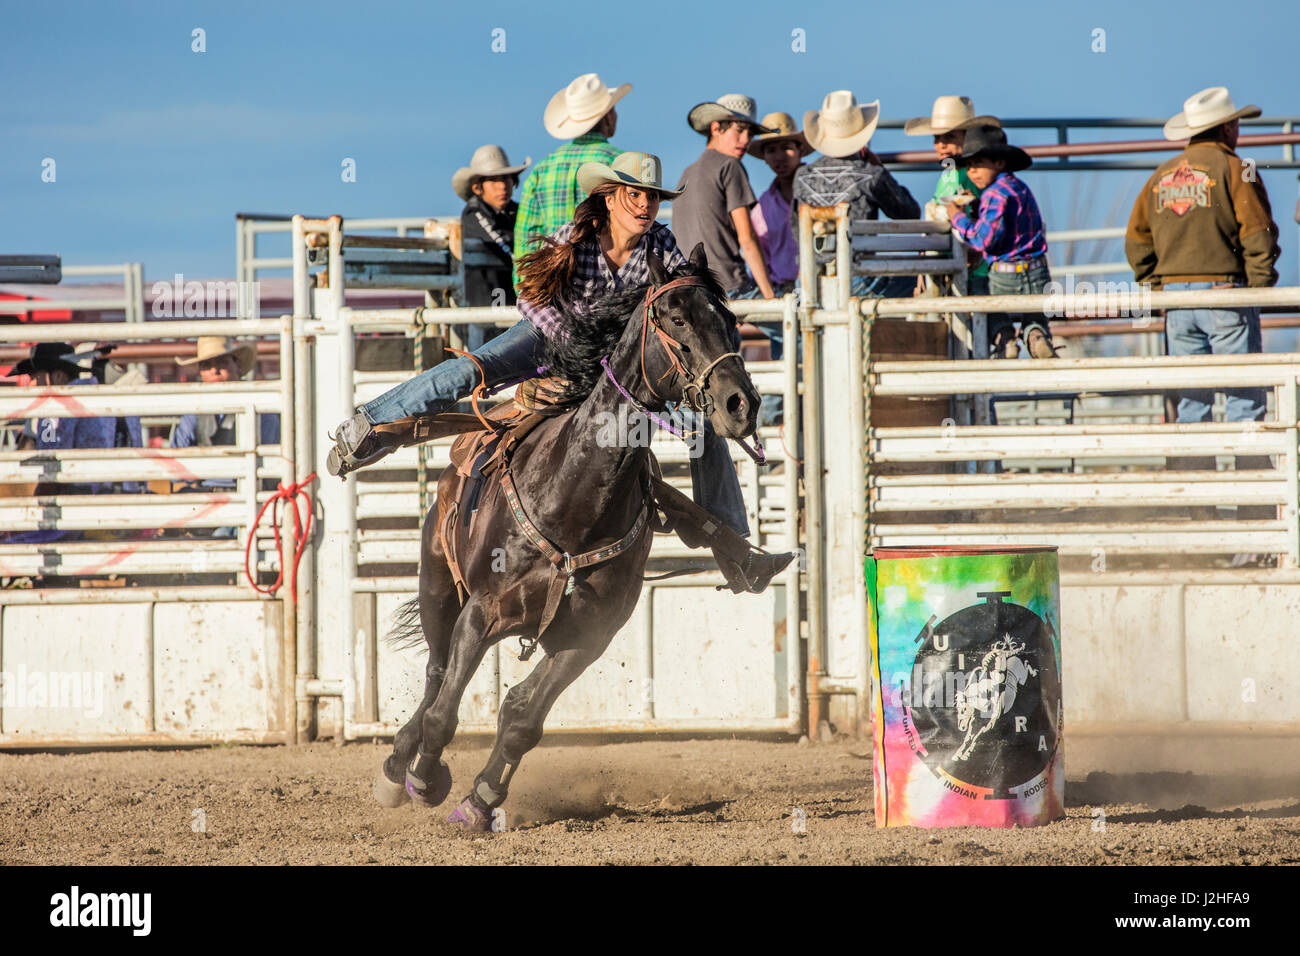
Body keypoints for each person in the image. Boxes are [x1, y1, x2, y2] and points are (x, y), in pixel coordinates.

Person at [325, 151, 793, 593]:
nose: (646, 204)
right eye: (636, 194)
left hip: (613, 363)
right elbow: (531, 297)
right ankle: (369, 426)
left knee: (702, 425)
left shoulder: (662, 244)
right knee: (474, 369)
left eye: (652, 196)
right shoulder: (580, 236)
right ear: (610, 198)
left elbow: (680, 300)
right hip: (550, 335)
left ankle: (736, 550)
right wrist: (569, 343)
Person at [1126, 87, 1280, 434]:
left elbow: (1137, 241)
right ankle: (1250, 478)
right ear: (1226, 128)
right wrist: (1258, 288)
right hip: (1225, 292)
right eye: (1236, 125)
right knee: (1244, 394)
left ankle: (1193, 475)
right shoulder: (1239, 169)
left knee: (1192, 399)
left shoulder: (1160, 176)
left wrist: (1157, 286)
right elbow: (1258, 234)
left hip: (1178, 301)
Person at [793, 90, 922, 298]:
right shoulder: (871, 175)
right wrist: (882, 171)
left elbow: (795, 229)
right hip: (858, 277)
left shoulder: (802, 175)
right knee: (920, 279)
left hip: (810, 280)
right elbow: (910, 213)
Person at [944, 124, 1056, 359]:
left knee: (980, 292)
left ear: (999, 163)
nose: (973, 172)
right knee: (1035, 315)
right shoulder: (1020, 189)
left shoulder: (994, 195)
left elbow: (981, 239)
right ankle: (1037, 336)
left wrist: (957, 217)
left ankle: (1004, 336)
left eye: (978, 164)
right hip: (1037, 270)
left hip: (1005, 274)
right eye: (970, 166)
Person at [512, 72, 630, 285]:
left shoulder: (542, 169)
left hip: (554, 284)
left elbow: (526, 240)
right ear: (608, 115)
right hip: (603, 284)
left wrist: (526, 290)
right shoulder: (619, 163)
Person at [5, 343, 116, 545]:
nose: (31, 384)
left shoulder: (53, 408)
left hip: (71, 506)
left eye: (35, 377)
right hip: (101, 499)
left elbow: (51, 472)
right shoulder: (98, 397)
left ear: (56, 376)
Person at [170, 337, 281, 538]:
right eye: (207, 365)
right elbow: (178, 465)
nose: (214, 371)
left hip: (249, 496)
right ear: (201, 372)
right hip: (206, 499)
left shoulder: (261, 408)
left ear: (236, 365)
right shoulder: (193, 412)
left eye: (222, 363)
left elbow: (271, 466)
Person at [673, 95, 775, 302]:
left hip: (692, 290)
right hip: (729, 285)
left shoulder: (687, 173)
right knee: (793, 330)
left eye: (750, 133)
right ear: (716, 128)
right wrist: (770, 297)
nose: (746, 140)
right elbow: (747, 239)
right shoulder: (730, 166)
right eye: (739, 130)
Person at [904, 96, 1000, 296]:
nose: (941, 145)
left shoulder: (971, 174)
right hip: (948, 259)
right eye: (937, 139)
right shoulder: (951, 172)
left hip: (971, 264)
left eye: (949, 138)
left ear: (968, 138)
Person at [452, 145, 530, 350]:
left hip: (509, 305)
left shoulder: (518, 212)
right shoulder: (473, 213)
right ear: (478, 187)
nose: (502, 186)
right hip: (486, 308)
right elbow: (507, 248)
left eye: (506, 178)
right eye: (494, 180)